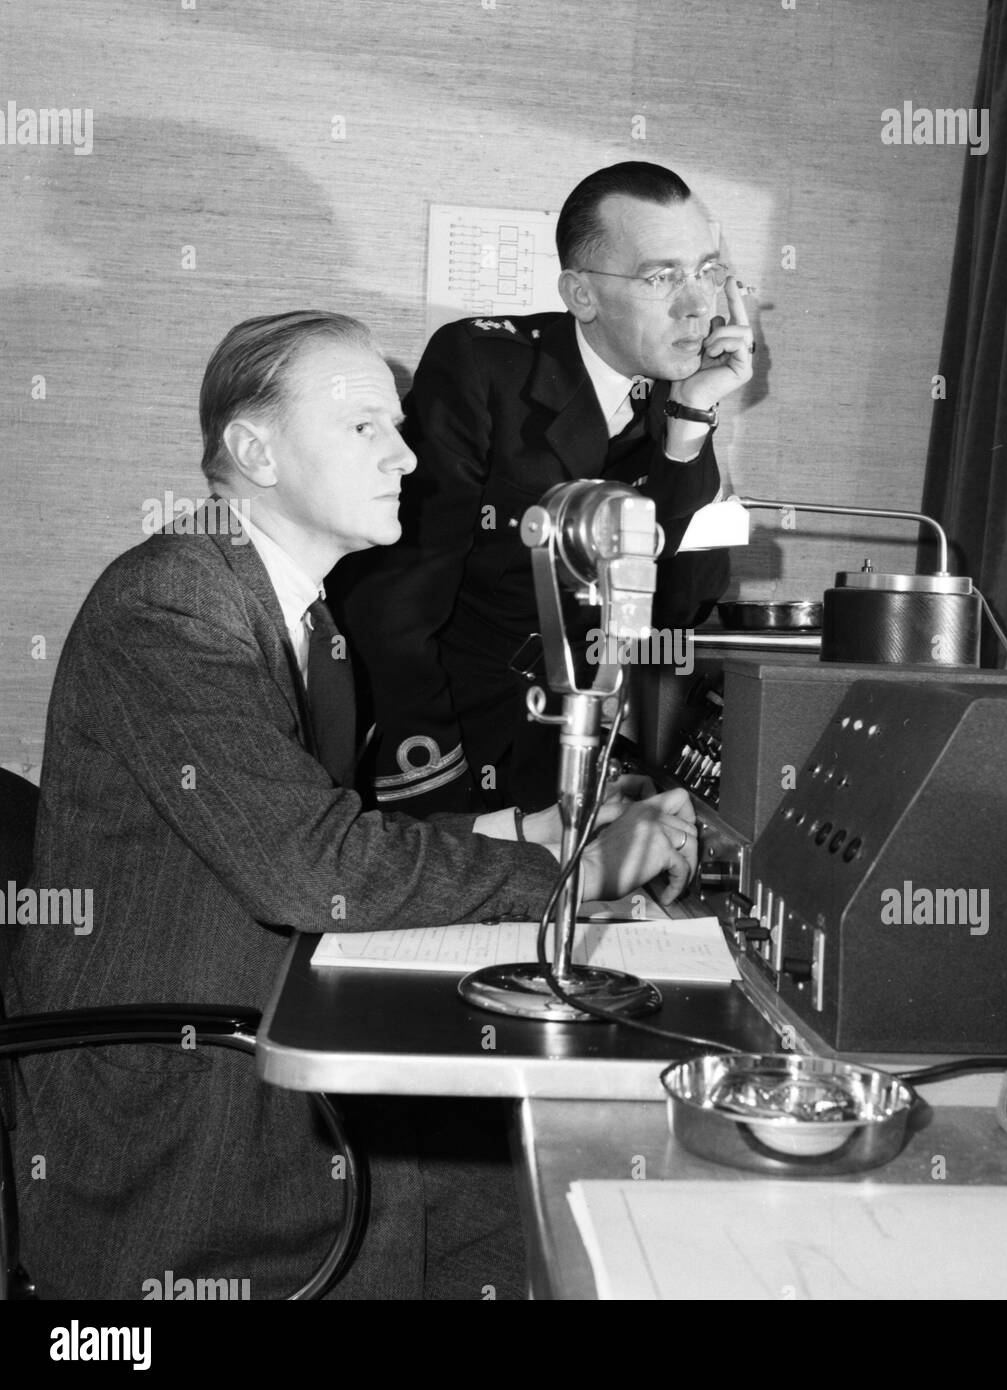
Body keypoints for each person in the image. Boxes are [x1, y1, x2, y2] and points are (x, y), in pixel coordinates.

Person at [6, 310, 699, 1300]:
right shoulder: (170, 607)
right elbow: (313, 867)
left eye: (401, 425)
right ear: (256, 450)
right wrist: (578, 872)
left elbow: (339, 833)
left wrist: (538, 828)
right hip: (189, 1110)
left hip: (273, 1025)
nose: (408, 456)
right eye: (364, 426)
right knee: (549, 1203)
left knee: (558, 1195)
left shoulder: (309, 621)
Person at [328, 161, 755, 815]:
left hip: (581, 733)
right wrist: (430, 778)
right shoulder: (484, 366)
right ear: (582, 296)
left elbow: (677, 608)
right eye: (661, 277)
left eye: (706, 271)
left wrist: (693, 415)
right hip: (452, 726)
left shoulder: (671, 396)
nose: (697, 305)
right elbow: (398, 600)